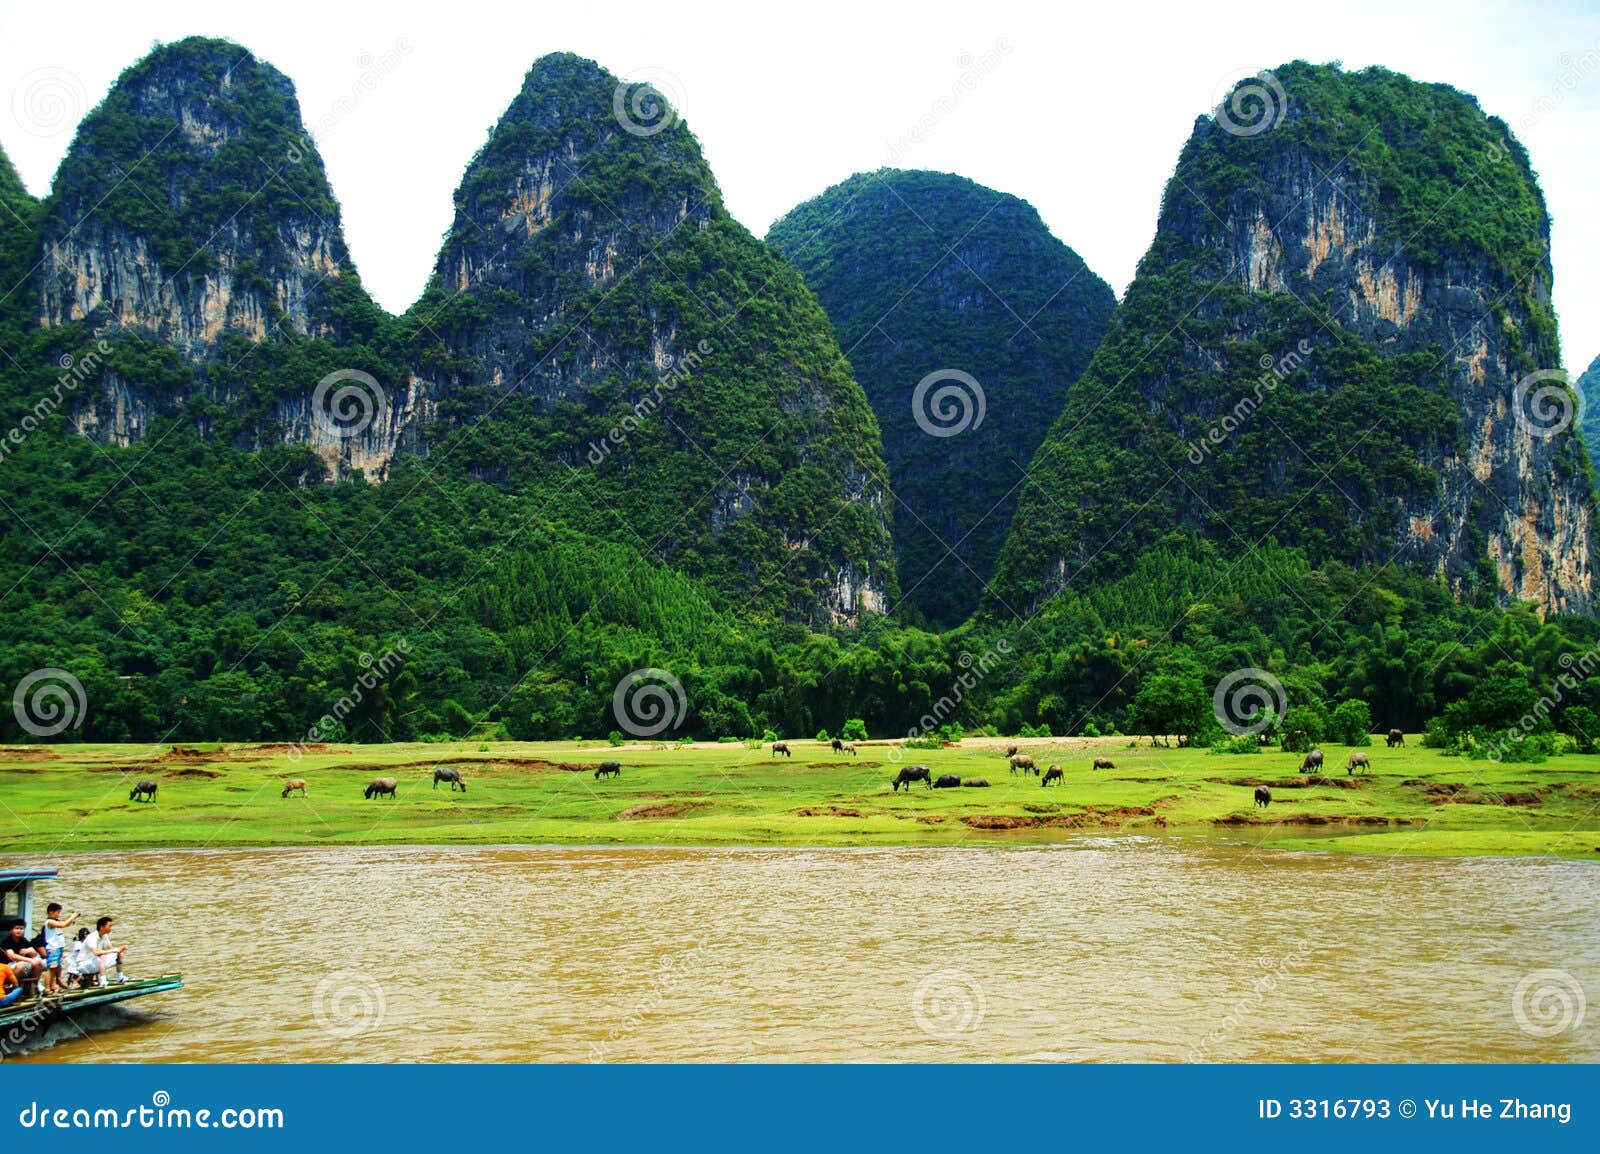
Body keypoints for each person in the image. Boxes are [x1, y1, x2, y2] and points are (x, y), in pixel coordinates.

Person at [39, 903, 77, 996]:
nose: (58, 914)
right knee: (51, 969)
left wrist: (72, 919)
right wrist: (72, 916)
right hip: (53, 949)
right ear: (51, 912)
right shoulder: (49, 922)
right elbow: (63, 924)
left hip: (58, 948)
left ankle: (53, 986)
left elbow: (65, 924)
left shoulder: (55, 922)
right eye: (57, 912)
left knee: (56, 968)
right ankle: (47, 988)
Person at [81, 917, 128, 987]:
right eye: (109, 926)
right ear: (102, 927)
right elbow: (96, 952)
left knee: (119, 954)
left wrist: (120, 949)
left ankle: (120, 977)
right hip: (84, 964)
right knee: (102, 956)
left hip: (95, 961)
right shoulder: (92, 937)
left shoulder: (105, 936)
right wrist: (113, 950)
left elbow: (111, 949)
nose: (111, 928)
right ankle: (103, 981)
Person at [2, 920, 45, 992]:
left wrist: (29, 951)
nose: (19, 930)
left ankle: (35, 985)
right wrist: (30, 960)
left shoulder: (23, 940)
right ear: (11, 930)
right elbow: (12, 956)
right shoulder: (7, 941)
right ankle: (15, 987)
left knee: (38, 962)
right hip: (9, 967)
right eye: (17, 928)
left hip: (23, 967)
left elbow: (34, 953)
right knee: (22, 964)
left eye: (21, 928)